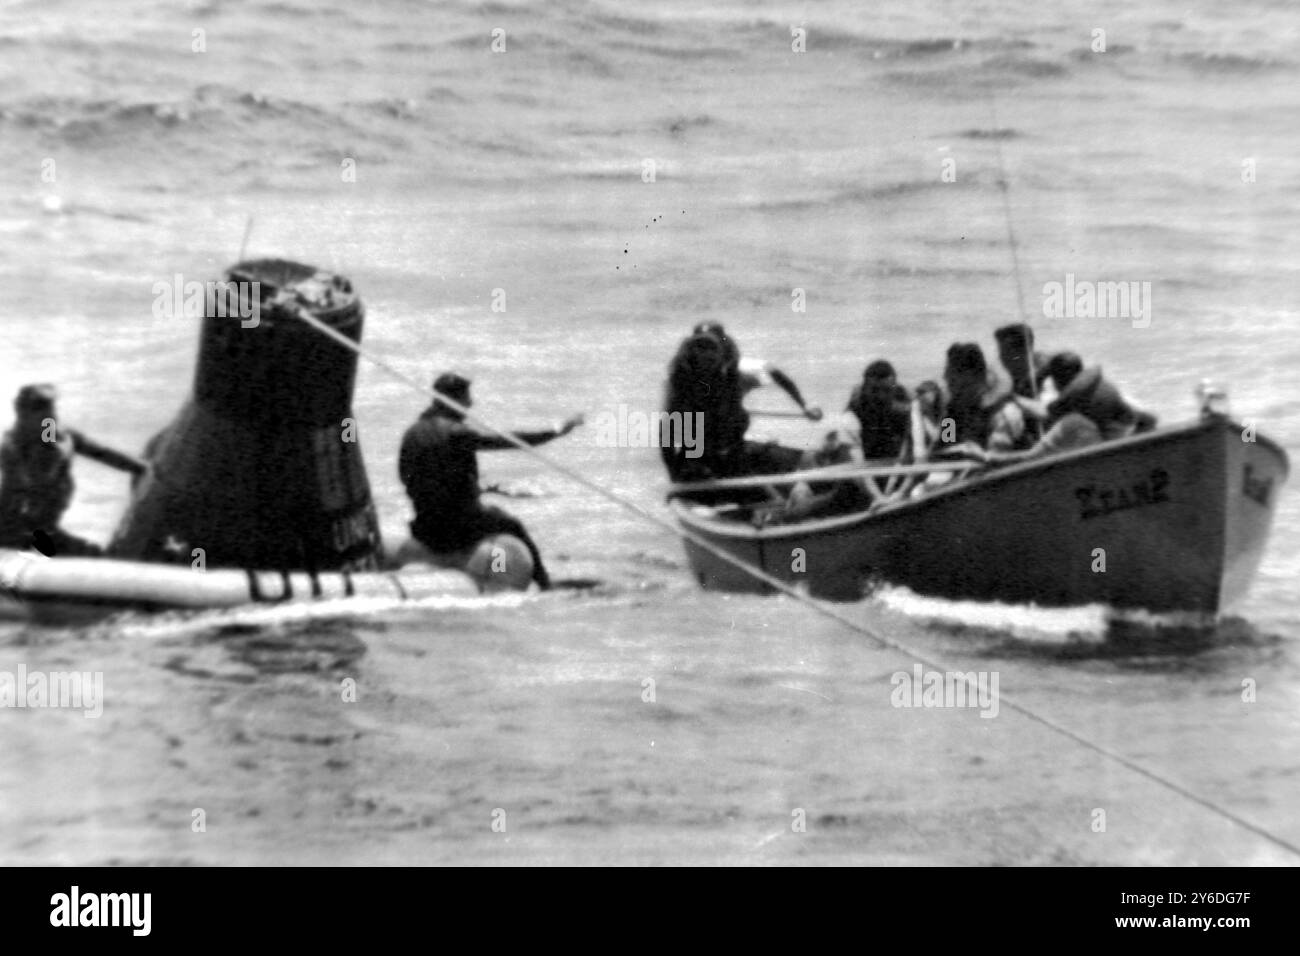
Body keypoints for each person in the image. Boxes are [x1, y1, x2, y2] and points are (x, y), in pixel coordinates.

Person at [398, 372, 583, 590]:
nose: (470, 404)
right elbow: (506, 441)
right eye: (466, 399)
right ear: (453, 400)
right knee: (511, 524)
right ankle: (544, 584)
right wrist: (554, 432)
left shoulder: (413, 432)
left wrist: (479, 488)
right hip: (453, 530)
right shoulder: (457, 432)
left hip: (423, 527)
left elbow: (409, 477)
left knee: (487, 514)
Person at [0, 384, 145, 556]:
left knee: (96, 557)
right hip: (16, 531)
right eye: (39, 409)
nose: (49, 414)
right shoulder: (13, 447)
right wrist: (54, 451)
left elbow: (101, 452)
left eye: (50, 408)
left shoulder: (56, 435)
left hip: (44, 527)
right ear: (22, 414)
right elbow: (34, 482)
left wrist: (142, 468)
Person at [660, 324, 811, 488]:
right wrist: (675, 477)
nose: (707, 354)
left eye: (712, 349)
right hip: (699, 464)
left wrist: (805, 406)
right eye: (701, 348)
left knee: (802, 460)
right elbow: (666, 437)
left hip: (733, 455)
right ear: (690, 353)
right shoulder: (681, 386)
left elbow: (774, 374)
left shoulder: (734, 378)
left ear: (721, 352)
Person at [1029, 352, 1157, 441]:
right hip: (1133, 431)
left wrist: (1018, 394)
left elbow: (1045, 414)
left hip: (1115, 448)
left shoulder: (1071, 400)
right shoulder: (1100, 385)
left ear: (1057, 380)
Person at [940, 342, 1028, 454]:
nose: (945, 377)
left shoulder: (1004, 413)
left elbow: (997, 459)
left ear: (971, 376)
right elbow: (946, 445)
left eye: (952, 374)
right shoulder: (951, 413)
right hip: (960, 468)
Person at [845, 360, 912, 460]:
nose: (881, 396)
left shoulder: (902, 399)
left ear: (894, 386)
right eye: (874, 390)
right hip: (868, 453)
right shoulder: (856, 403)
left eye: (887, 390)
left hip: (895, 453)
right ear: (865, 387)